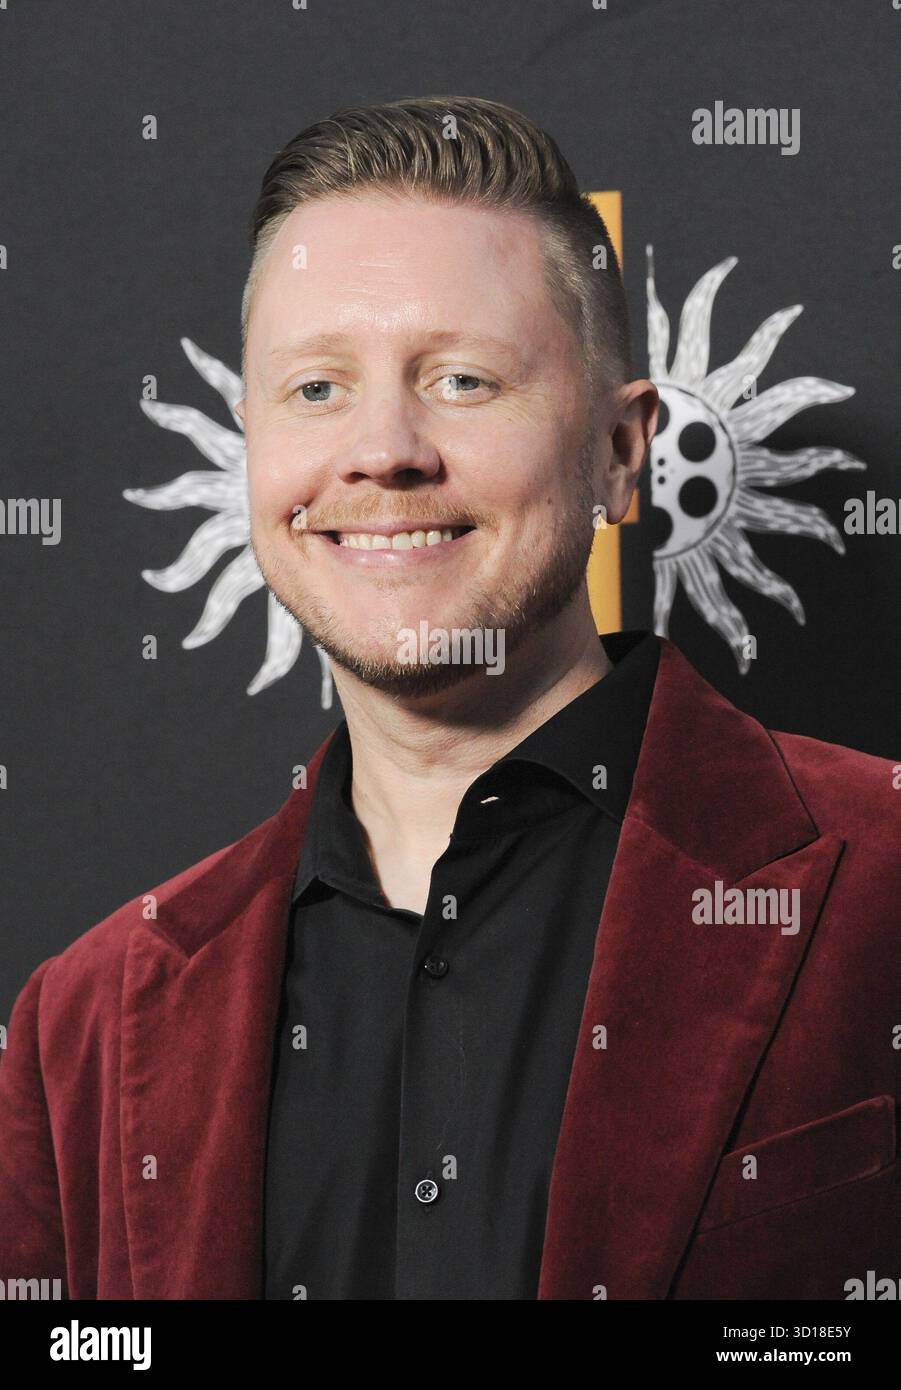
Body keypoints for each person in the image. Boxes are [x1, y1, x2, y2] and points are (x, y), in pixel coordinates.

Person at [1, 96, 898, 1302]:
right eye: (314, 389)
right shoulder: (84, 1026)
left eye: (463, 378)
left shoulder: (881, 882)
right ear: (251, 452)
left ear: (622, 454)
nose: (383, 449)